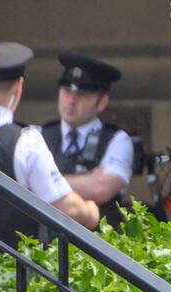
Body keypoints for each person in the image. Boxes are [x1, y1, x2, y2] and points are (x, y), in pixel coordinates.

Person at [0, 42, 99, 246]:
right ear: (18, 85)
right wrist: (91, 211)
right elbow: (64, 206)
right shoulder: (26, 142)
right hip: (12, 272)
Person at [40, 53, 134, 230]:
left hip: (97, 248)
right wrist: (86, 181)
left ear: (102, 102)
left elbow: (101, 189)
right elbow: (20, 185)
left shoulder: (117, 140)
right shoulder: (38, 134)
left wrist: (41, 181)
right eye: (67, 90)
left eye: (82, 94)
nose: (71, 100)